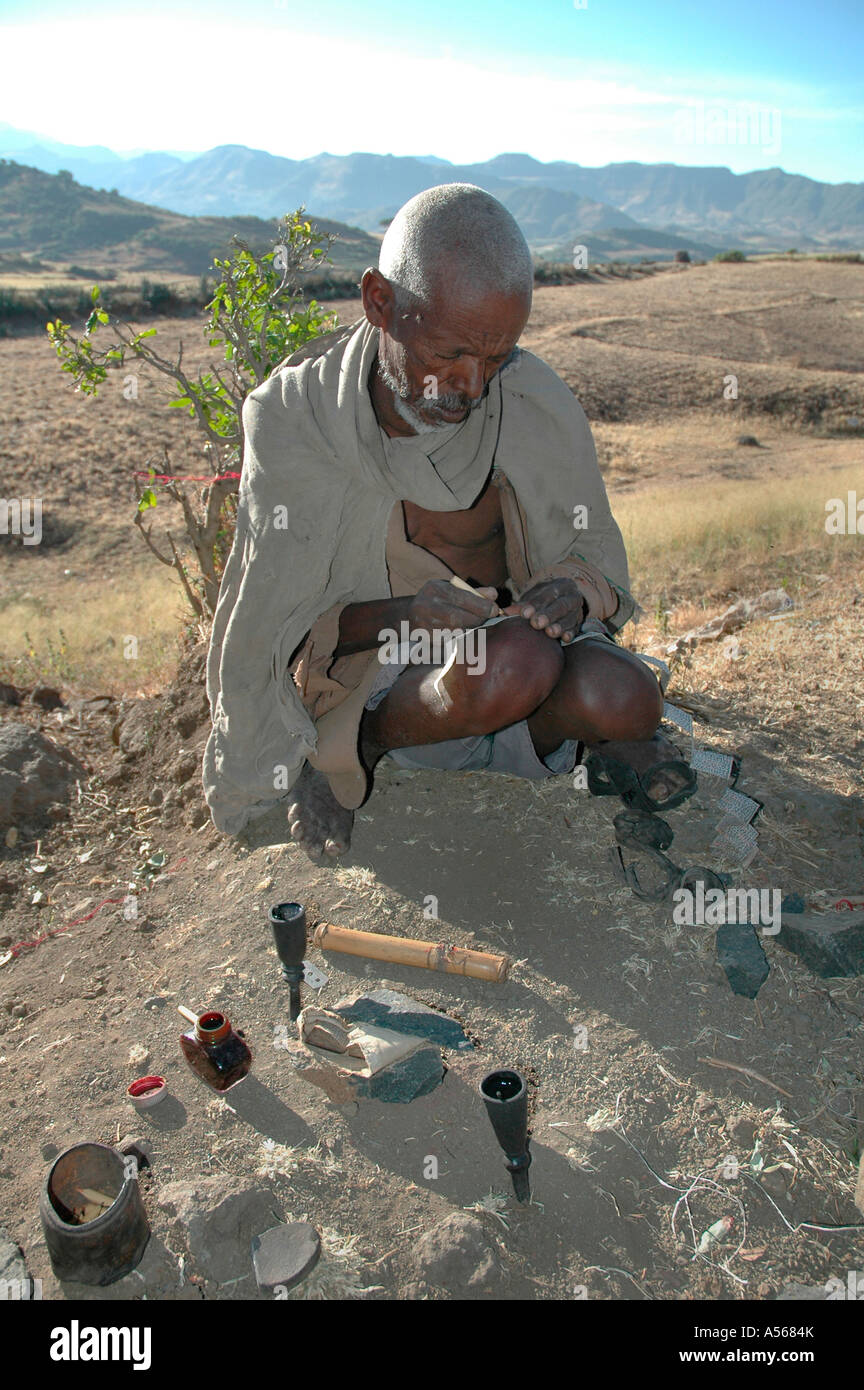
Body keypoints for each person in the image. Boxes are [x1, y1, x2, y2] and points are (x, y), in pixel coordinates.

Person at [203, 184, 693, 860]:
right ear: (380, 303)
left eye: (493, 358)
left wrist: (570, 590)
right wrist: (402, 616)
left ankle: (551, 736)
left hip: (515, 662)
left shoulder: (529, 402)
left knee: (628, 697)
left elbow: (591, 550)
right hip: (386, 682)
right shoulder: (300, 419)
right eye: (446, 354)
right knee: (515, 664)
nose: (468, 386)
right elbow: (280, 624)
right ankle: (353, 751)